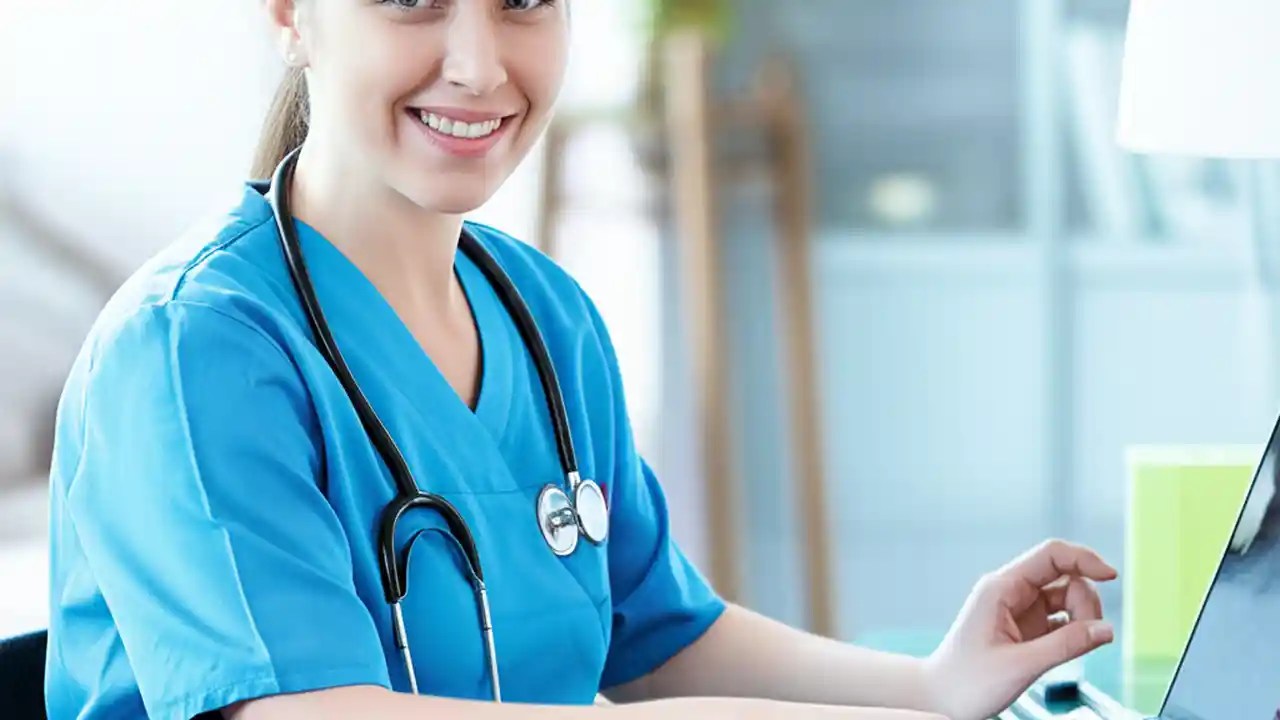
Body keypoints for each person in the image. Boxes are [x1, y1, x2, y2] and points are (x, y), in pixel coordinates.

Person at [41, 2, 1118, 719]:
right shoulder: (189, 355)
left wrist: (930, 688)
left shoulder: (544, 318)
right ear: (289, 15)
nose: (476, 63)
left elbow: (657, 639)